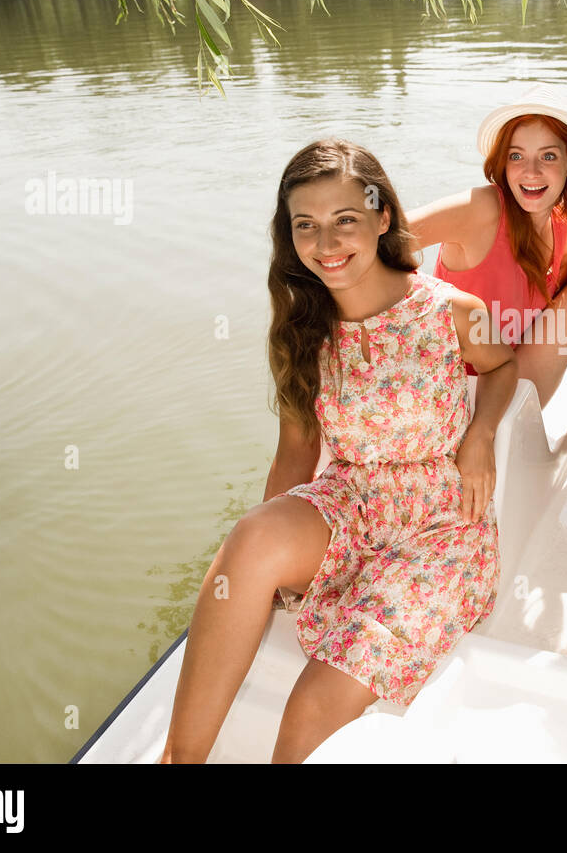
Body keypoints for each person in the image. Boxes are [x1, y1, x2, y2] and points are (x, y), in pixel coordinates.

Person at [160, 139, 518, 763]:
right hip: (350, 502)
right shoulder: (301, 330)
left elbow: (503, 364)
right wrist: (263, 572)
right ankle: (177, 761)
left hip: (441, 526)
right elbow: (296, 452)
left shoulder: (453, 311)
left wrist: (481, 436)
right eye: (307, 226)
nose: (326, 244)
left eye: (345, 220)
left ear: (383, 219)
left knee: (310, 711)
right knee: (251, 538)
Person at [407, 84, 567, 407]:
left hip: (510, 388)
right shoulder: (482, 208)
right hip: (459, 394)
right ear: (503, 164)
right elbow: (382, 237)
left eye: (548, 156)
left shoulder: (563, 225)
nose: (530, 172)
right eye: (516, 156)